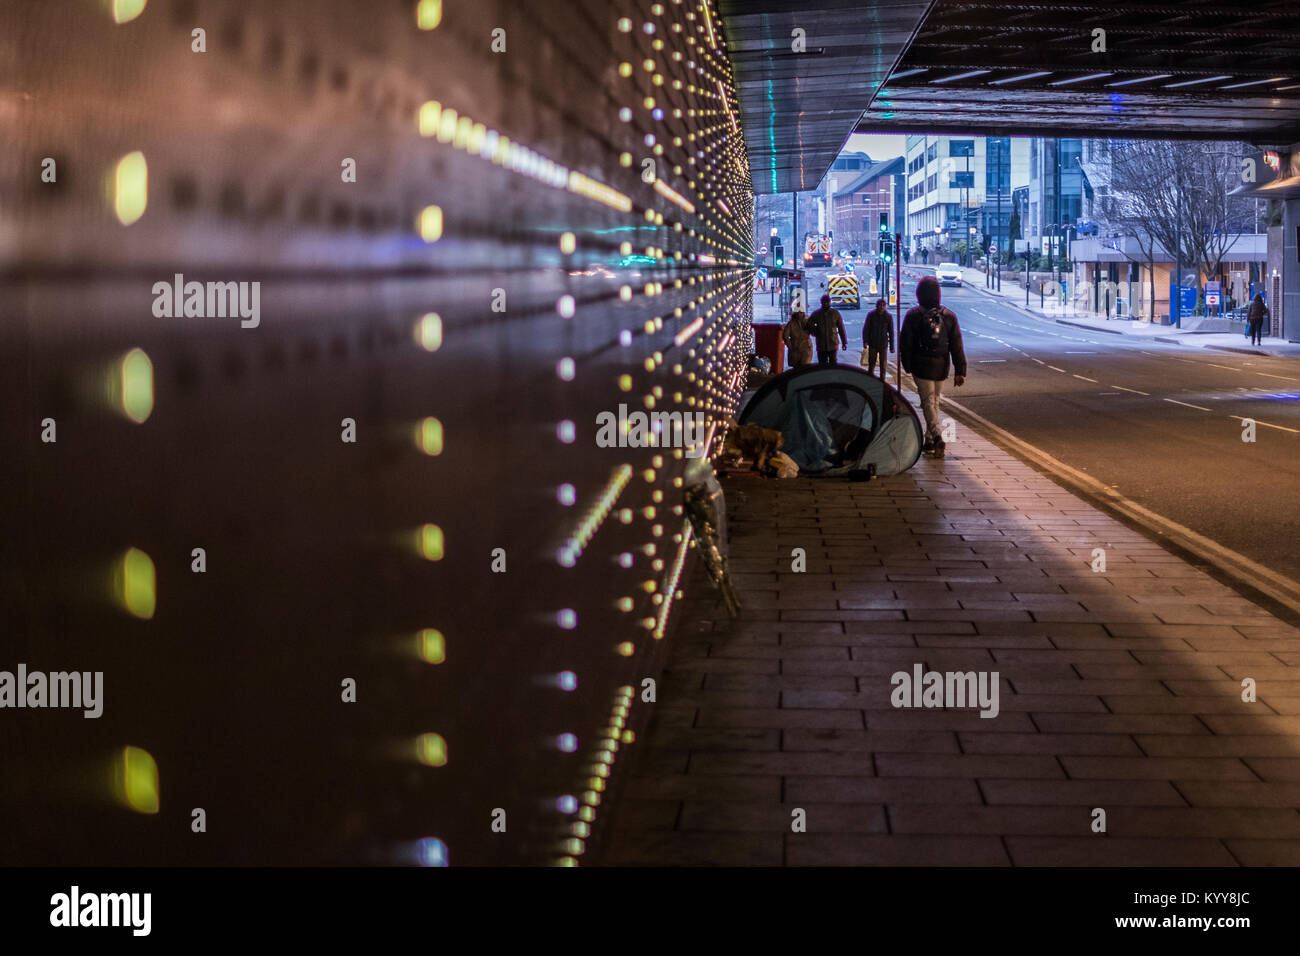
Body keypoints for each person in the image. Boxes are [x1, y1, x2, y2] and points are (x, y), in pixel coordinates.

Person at [900, 276, 967, 458]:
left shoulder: (913, 315)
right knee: (934, 401)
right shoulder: (948, 316)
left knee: (928, 402)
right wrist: (960, 371)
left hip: (921, 365)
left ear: (919, 293)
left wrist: (906, 364)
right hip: (941, 365)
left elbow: (905, 343)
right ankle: (929, 441)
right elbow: (956, 345)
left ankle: (937, 436)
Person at [808, 294, 847, 366]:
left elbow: (841, 328)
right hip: (821, 345)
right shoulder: (817, 314)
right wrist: (816, 332)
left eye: (827, 302)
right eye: (824, 302)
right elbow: (809, 325)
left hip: (832, 343)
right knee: (822, 365)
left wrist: (844, 342)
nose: (825, 303)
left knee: (833, 364)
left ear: (829, 302)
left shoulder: (835, 313)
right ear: (821, 302)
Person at [863, 298, 894, 379]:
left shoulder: (888, 317)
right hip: (873, 343)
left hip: (883, 344)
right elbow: (866, 329)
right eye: (880, 305)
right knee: (871, 363)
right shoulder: (871, 315)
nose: (881, 307)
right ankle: (871, 379)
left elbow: (891, 333)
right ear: (876, 306)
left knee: (883, 365)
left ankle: (882, 381)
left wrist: (892, 346)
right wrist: (865, 341)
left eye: (883, 305)